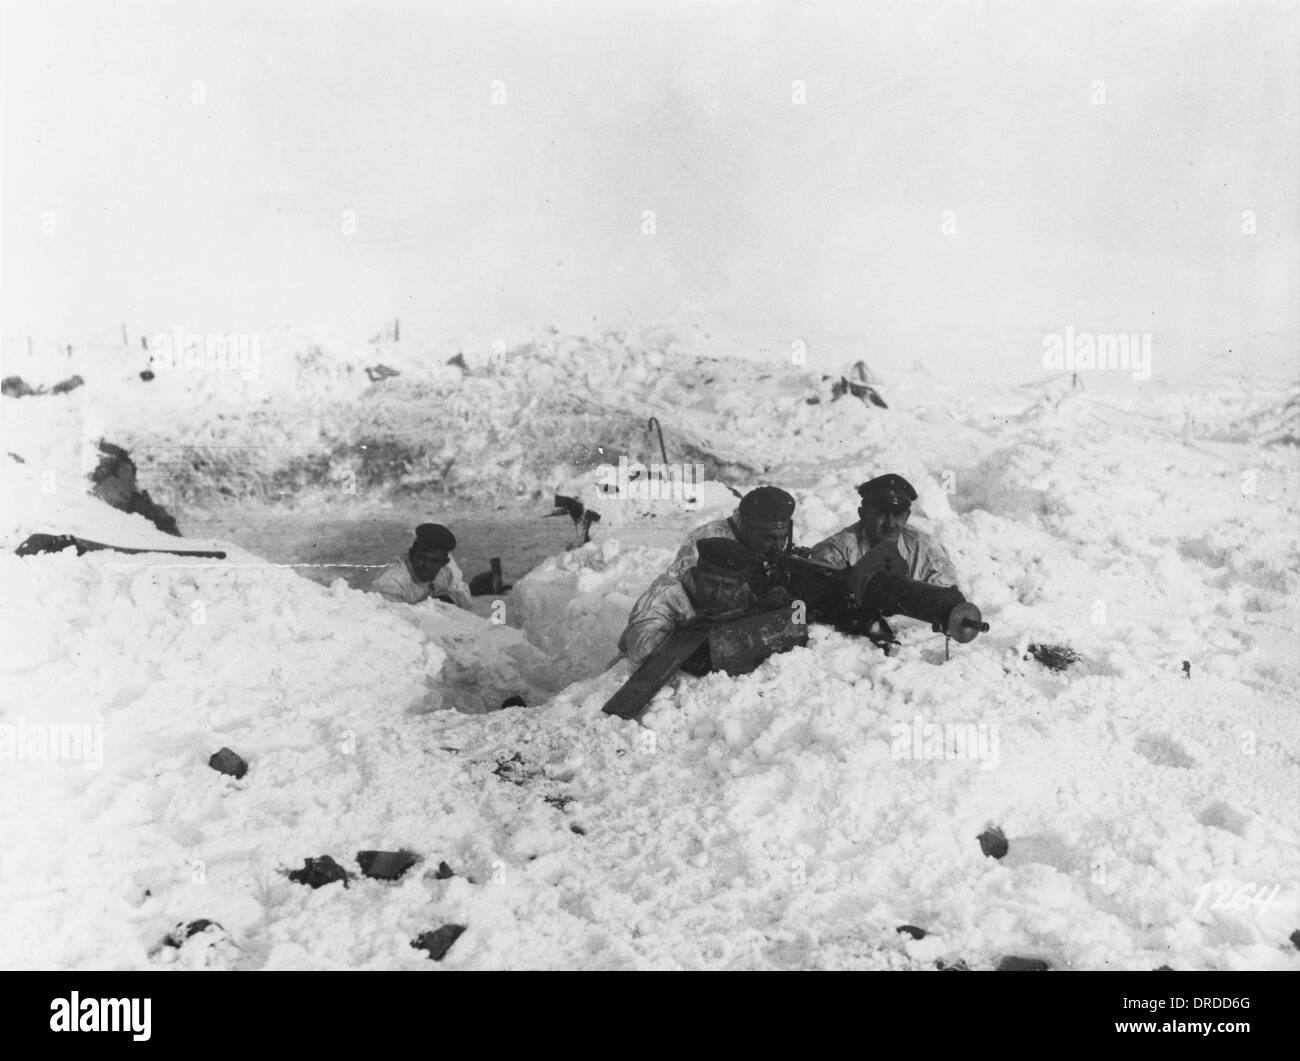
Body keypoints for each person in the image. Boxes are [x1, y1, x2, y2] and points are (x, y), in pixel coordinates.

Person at [618, 538, 761, 664]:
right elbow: (640, 648)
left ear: (740, 584)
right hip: (629, 678)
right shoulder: (663, 595)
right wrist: (690, 633)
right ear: (695, 575)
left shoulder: (742, 593)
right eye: (710, 583)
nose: (717, 594)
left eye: (728, 586)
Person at [810, 474, 959, 595]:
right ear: (863, 514)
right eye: (881, 513)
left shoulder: (926, 548)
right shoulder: (836, 550)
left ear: (907, 516)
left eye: (898, 515)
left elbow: (949, 598)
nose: (890, 523)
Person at [668, 485, 796, 583]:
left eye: (783, 538)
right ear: (746, 527)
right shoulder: (707, 538)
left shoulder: (777, 541)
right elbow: (676, 586)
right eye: (768, 538)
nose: (778, 546)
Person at [370, 523, 472, 608]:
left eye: (434, 561)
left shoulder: (447, 567)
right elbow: (393, 624)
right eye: (422, 558)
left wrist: (444, 600)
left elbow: (465, 599)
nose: (427, 565)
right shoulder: (392, 583)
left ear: (444, 562)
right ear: (412, 554)